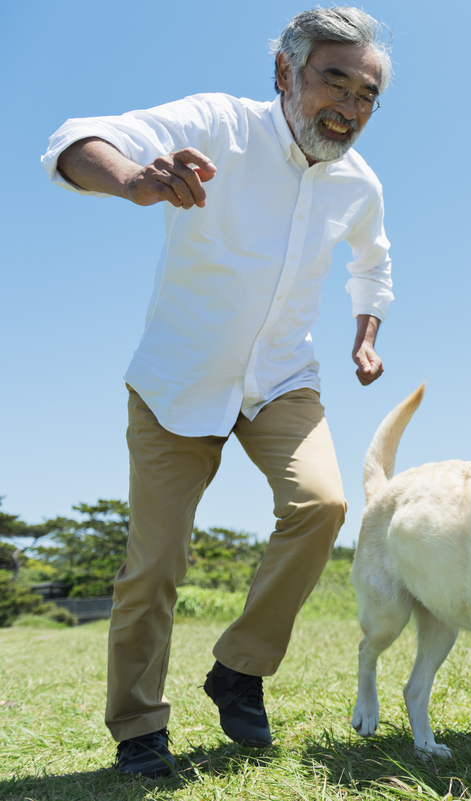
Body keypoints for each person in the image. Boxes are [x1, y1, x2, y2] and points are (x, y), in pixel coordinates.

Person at [40, 7, 395, 777]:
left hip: (280, 380)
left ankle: (238, 667)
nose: (350, 106)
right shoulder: (219, 124)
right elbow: (74, 139)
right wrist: (133, 180)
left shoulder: (358, 185)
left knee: (323, 505)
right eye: (334, 80)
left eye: (367, 94)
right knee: (156, 560)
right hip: (180, 376)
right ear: (283, 73)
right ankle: (139, 730)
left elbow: (374, 263)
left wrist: (366, 332)